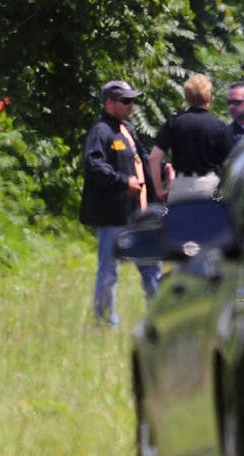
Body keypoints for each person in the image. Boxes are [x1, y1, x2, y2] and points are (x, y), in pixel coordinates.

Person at [78, 80, 162, 328]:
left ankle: (159, 320)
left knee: (152, 268)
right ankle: (105, 323)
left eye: (132, 100)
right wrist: (123, 182)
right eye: (125, 101)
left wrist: (160, 178)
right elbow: (93, 165)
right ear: (109, 103)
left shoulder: (127, 129)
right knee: (108, 272)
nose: (131, 105)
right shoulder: (101, 131)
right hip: (113, 216)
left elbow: (143, 160)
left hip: (139, 215)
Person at [148, 73, 232, 203]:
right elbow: (231, 164)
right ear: (208, 97)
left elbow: (154, 158)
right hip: (209, 188)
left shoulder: (173, 123)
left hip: (180, 187)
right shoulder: (219, 126)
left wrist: (159, 190)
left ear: (187, 97)